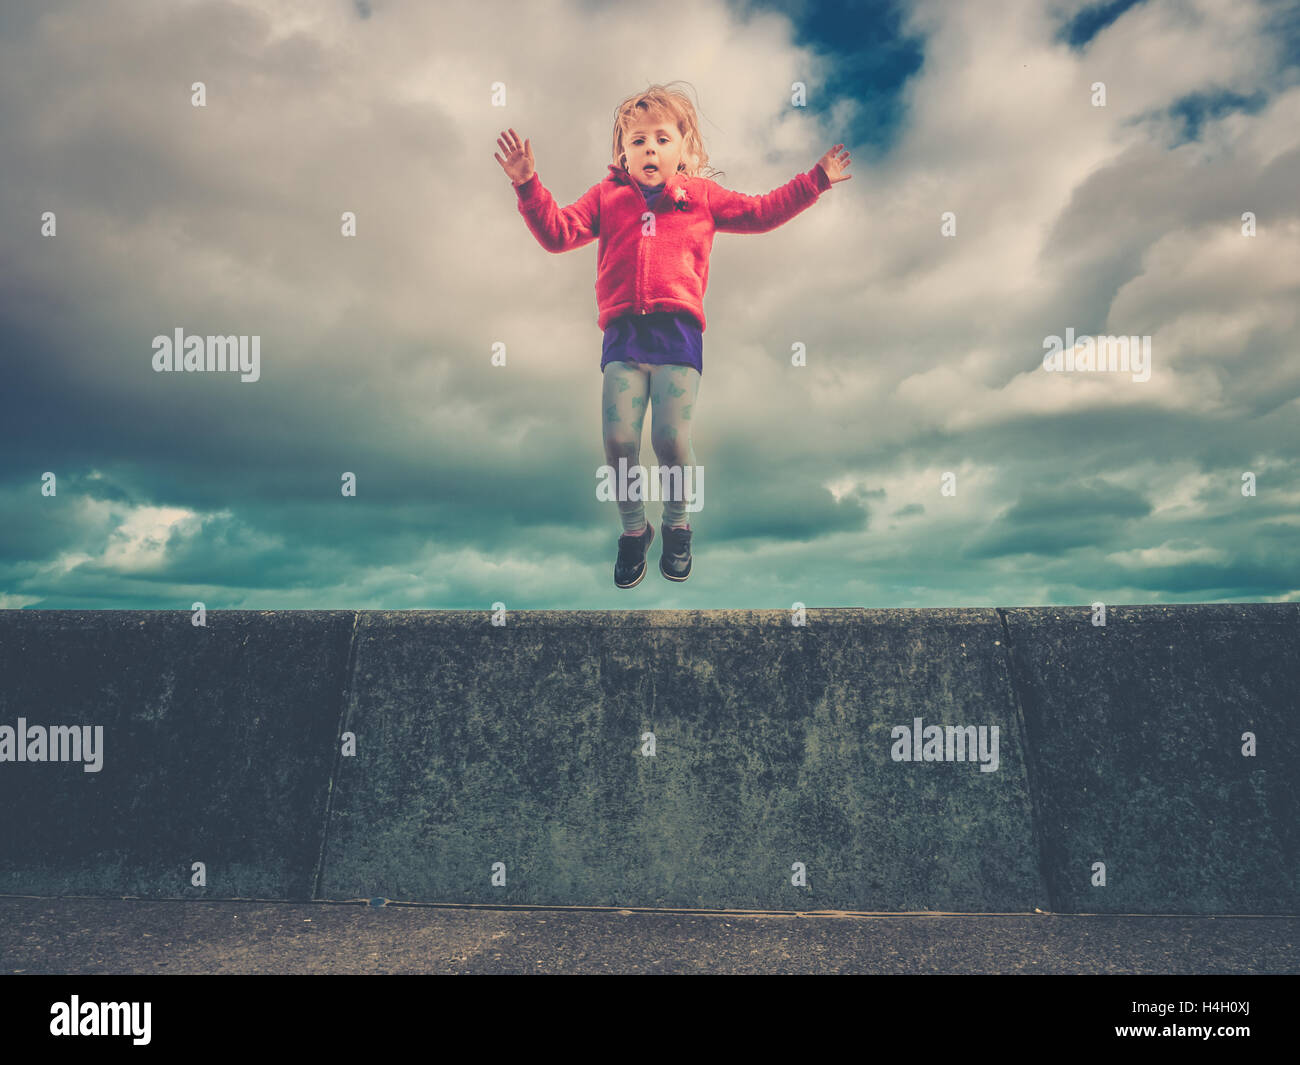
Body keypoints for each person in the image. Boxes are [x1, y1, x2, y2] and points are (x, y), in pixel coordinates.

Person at [494, 82, 851, 588]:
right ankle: (634, 532)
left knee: (668, 439)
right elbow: (557, 234)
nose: (649, 149)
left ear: (684, 148)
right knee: (619, 441)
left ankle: (677, 524)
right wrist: (528, 185)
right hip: (623, 335)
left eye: (661, 139)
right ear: (623, 151)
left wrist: (816, 181)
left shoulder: (700, 197)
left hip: (678, 335)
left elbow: (762, 211)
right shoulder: (607, 197)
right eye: (637, 141)